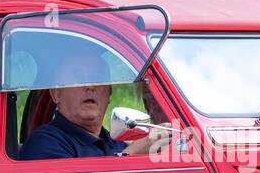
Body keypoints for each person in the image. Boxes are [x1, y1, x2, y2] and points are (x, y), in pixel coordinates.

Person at [20, 53, 167, 160]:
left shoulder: (117, 144)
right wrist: (131, 154)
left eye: (98, 78)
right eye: (77, 78)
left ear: (109, 93)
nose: (90, 86)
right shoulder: (44, 143)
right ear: (56, 93)